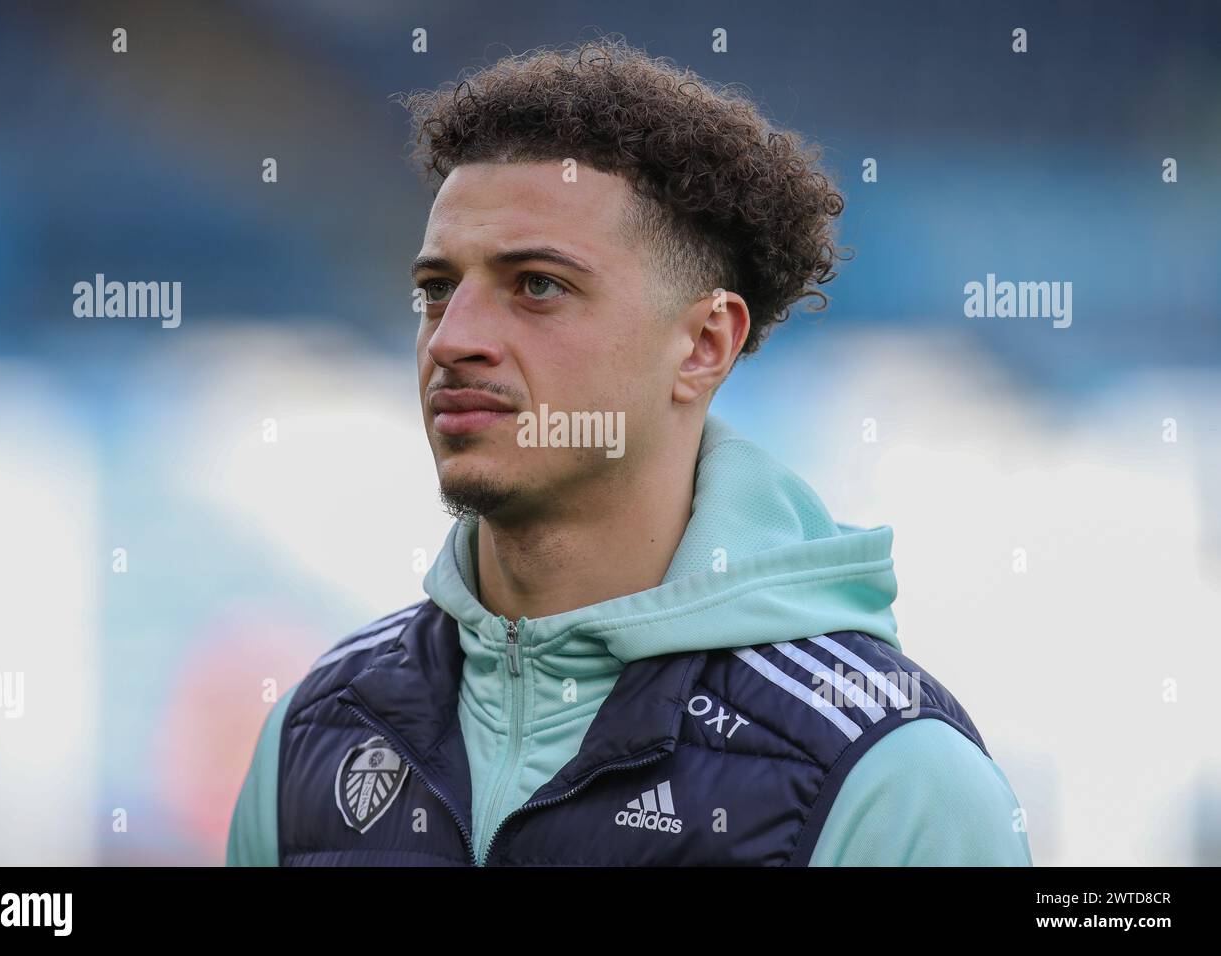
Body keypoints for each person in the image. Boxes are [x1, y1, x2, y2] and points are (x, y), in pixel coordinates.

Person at [227, 35, 1032, 866]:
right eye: (437, 290)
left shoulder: (889, 779)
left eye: (538, 285)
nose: (453, 338)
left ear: (704, 344)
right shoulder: (312, 733)